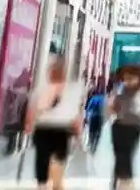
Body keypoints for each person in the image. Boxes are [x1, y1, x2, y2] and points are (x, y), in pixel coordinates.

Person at [26, 57, 85, 190]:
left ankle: (47, 185)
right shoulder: (68, 91)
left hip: (53, 130)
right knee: (50, 162)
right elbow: (77, 115)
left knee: (47, 161)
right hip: (53, 130)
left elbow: (76, 114)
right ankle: (49, 184)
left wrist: (29, 125)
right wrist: (78, 134)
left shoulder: (66, 90)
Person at [110, 66, 140, 190]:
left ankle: (126, 184)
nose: (127, 81)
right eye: (125, 78)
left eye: (131, 78)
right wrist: (115, 102)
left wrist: (125, 105)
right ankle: (117, 182)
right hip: (119, 126)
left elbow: (139, 111)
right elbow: (114, 108)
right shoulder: (122, 90)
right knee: (119, 157)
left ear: (138, 78)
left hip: (131, 128)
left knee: (125, 157)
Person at [85, 83, 107, 154]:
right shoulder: (104, 99)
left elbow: (88, 109)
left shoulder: (93, 98)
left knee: (92, 131)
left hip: (93, 117)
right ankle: (95, 147)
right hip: (101, 117)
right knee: (98, 132)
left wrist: (86, 117)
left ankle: (91, 145)